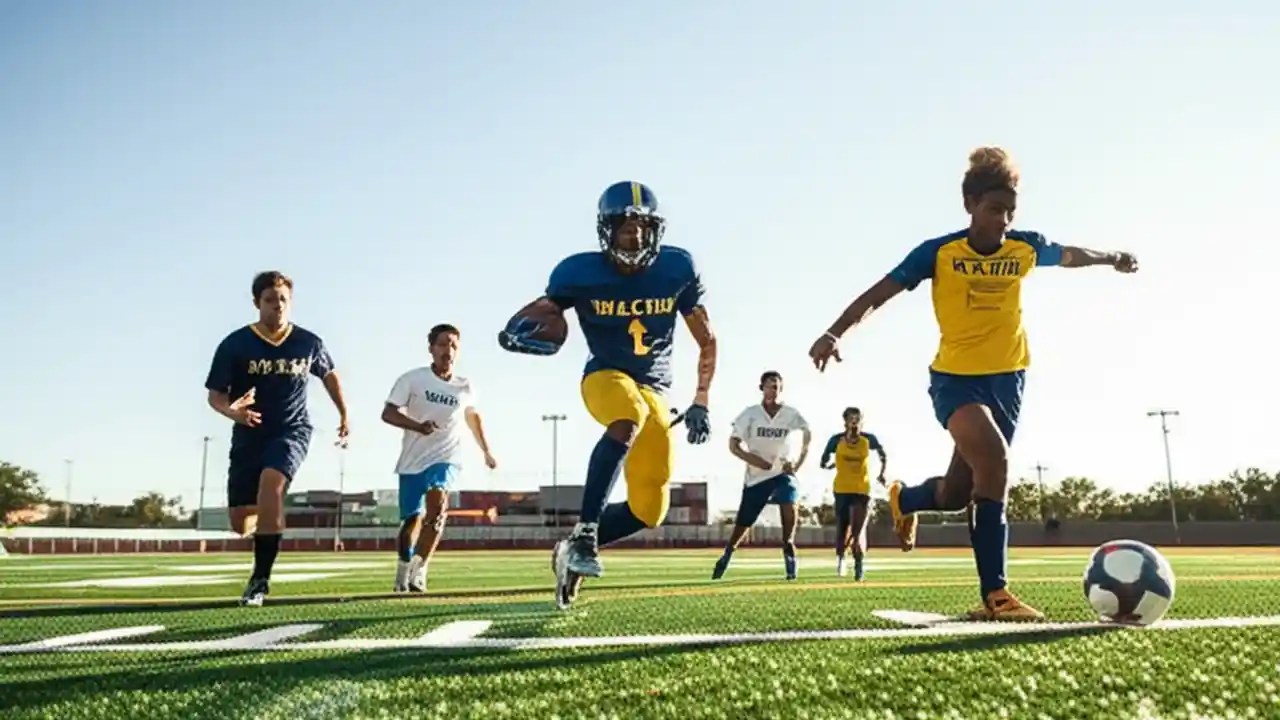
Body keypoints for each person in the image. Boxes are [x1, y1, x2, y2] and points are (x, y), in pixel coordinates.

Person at [808, 147, 1138, 621]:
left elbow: (1070, 255)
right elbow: (879, 294)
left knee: (958, 493)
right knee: (995, 460)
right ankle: (995, 594)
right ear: (970, 205)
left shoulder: (1024, 248)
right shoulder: (939, 253)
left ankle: (906, 498)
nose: (1003, 220)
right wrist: (835, 332)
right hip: (956, 382)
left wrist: (1113, 258)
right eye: (994, 209)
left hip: (1009, 381)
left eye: (1010, 211)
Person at [499, 180, 717, 610]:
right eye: (624, 228)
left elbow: (707, 339)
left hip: (655, 388)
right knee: (628, 413)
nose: (633, 237)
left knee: (649, 510)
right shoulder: (577, 272)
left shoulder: (677, 267)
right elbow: (546, 309)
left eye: (641, 228)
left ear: (655, 230)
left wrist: (701, 399)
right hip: (604, 375)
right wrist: (517, 329)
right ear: (607, 231)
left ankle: (570, 550)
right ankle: (585, 536)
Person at [204, 271, 350, 607]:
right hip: (249, 434)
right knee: (240, 522)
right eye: (270, 300)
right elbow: (215, 396)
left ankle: (260, 580)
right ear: (257, 303)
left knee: (272, 485)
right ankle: (265, 515)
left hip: (291, 430)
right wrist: (232, 412)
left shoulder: (308, 342)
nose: (278, 306)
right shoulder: (235, 344)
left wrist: (344, 413)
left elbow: (330, 375)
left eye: (283, 299)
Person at [381, 323, 496, 593]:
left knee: (438, 503)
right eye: (443, 344)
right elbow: (388, 413)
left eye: (454, 345)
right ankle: (404, 567)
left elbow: (473, 418)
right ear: (431, 348)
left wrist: (486, 450)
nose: (448, 350)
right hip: (413, 460)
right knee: (411, 520)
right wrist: (418, 426)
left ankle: (420, 568)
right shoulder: (413, 379)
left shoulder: (465, 386)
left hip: (447, 456)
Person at [714, 371, 811, 581]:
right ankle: (728, 553)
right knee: (744, 522)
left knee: (789, 498)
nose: (773, 391)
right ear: (761, 388)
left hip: (782, 473)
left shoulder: (790, 414)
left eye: (776, 387)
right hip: (757, 476)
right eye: (769, 386)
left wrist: (797, 462)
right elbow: (733, 445)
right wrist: (753, 459)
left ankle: (788, 546)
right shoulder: (750, 414)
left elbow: (807, 434)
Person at [819, 407, 886, 580]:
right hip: (842, 489)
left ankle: (859, 565)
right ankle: (841, 557)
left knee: (858, 530)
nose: (855, 421)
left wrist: (882, 474)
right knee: (842, 528)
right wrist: (831, 465)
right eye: (851, 418)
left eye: (858, 418)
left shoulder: (869, 439)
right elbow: (823, 462)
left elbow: (883, 455)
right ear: (845, 421)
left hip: (862, 489)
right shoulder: (836, 440)